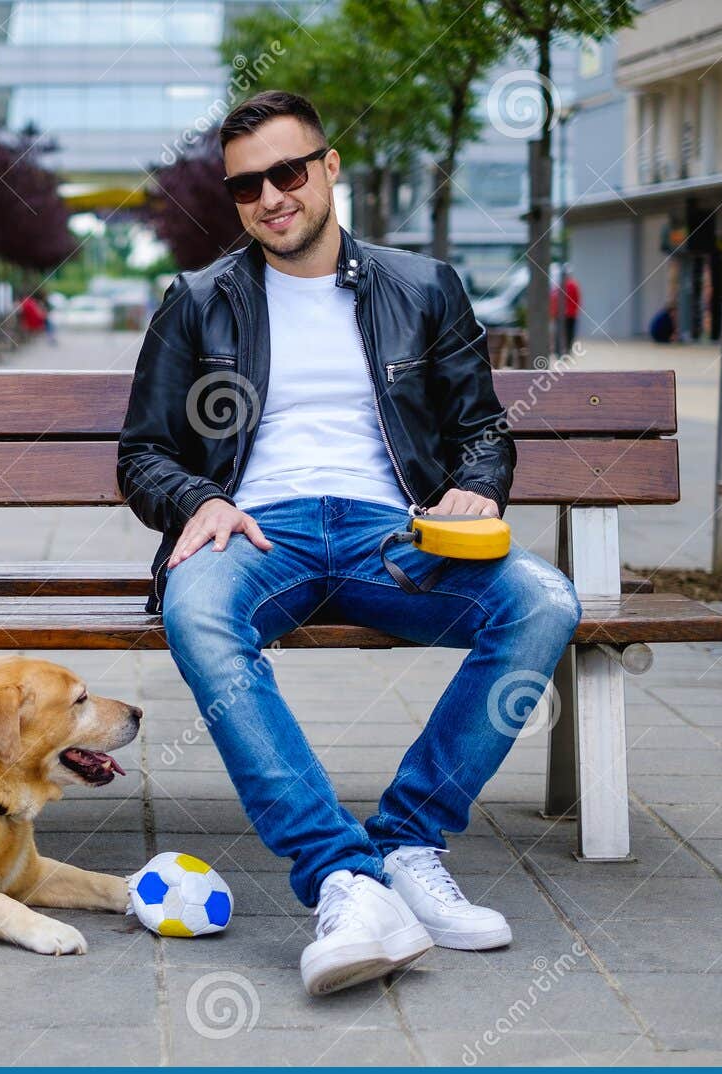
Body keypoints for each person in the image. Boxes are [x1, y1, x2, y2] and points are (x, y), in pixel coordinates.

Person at [118, 91, 582, 997]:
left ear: (330, 170)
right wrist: (199, 496)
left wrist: (477, 488)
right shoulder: (197, 302)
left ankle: (409, 840)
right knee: (197, 611)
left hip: (392, 534)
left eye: (288, 172)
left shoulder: (423, 286)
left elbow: (485, 430)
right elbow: (141, 453)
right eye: (246, 185)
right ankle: (343, 877)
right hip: (257, 530)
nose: (270, 197)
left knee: (545, 602)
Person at [550, 269, 582, 352]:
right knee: (569, 333)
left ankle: (559, 349)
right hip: (570, 314)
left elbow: (554, 299)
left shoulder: (560, 285)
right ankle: (567, 349)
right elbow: (577, 299)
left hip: (562, 314)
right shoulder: (572, 285)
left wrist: (554, 311)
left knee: (559, 332)